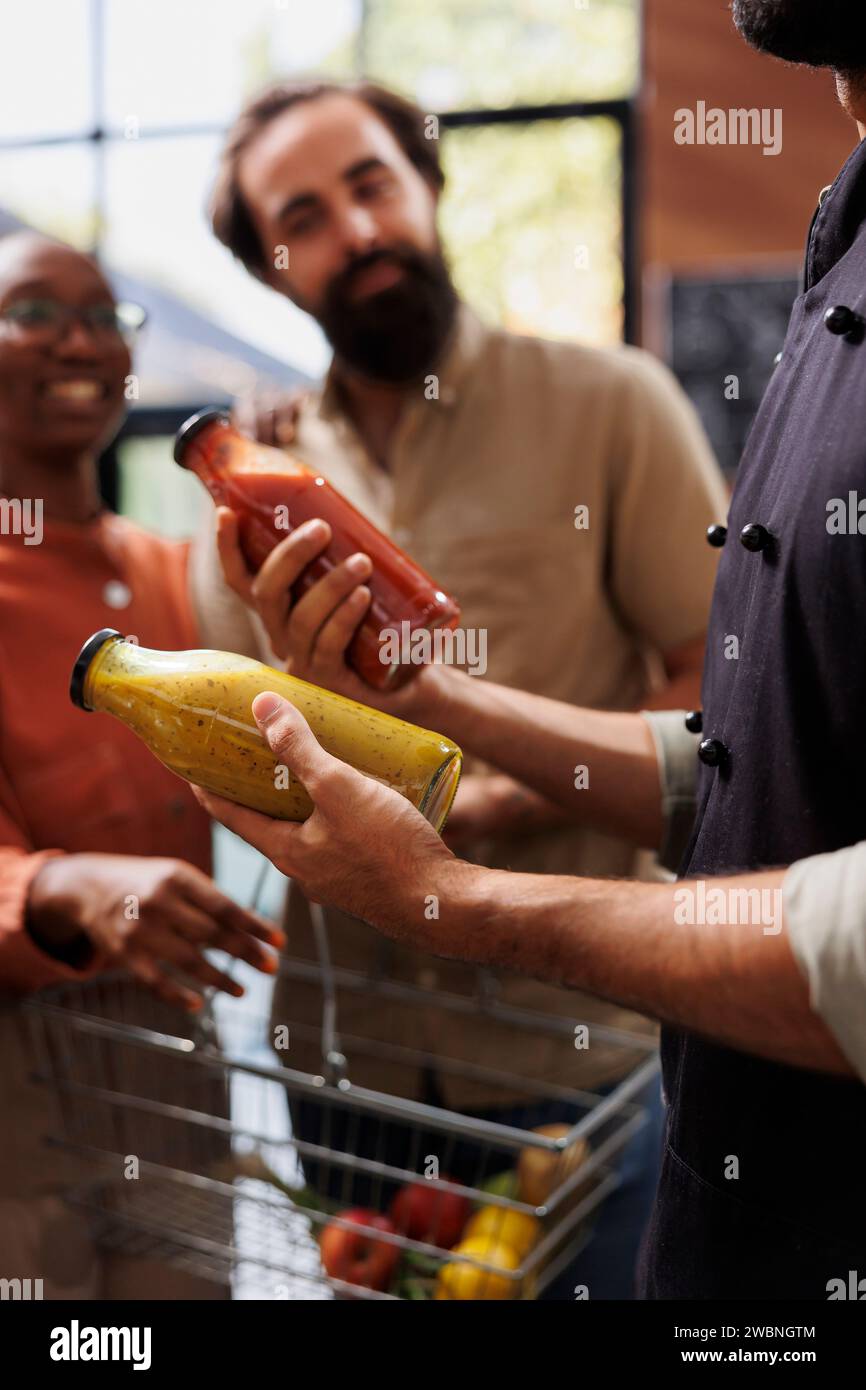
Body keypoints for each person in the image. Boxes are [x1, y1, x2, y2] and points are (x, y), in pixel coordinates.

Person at [195, 2, 866, 1298]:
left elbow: (706, 679)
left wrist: (462, 851)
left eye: (371, 183)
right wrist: (438, 701)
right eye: (302, 219)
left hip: (582, 1057)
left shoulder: (607, 401)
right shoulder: (261, 477)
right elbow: (748, 735)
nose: (356, 231)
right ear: (270, 270)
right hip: (358, 1063)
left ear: (430, 187)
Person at [0, 232, 280, 1299]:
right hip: (18, 1090)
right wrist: (61, 883)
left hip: (171, 1061)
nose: (78, 339)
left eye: (103, 317)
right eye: (34, 312)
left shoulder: (167, 570)